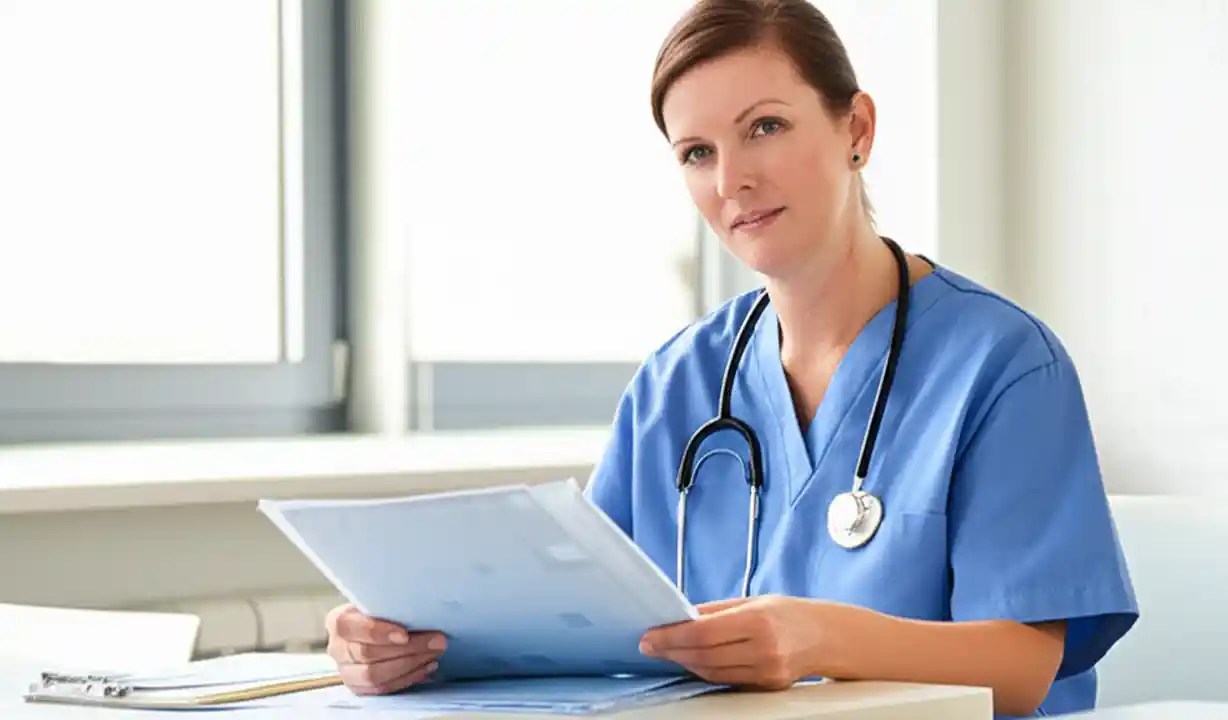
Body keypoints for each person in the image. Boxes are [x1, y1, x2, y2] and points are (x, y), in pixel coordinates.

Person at [323, 0, 1138, 716]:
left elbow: (1028, 667)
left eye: (766, 127)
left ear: (856, 129)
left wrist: (818, 635)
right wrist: (400, 645)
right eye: (697, 153)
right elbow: (577, 625)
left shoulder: (1001, 367)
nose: (733, 180)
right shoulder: (677, 383)